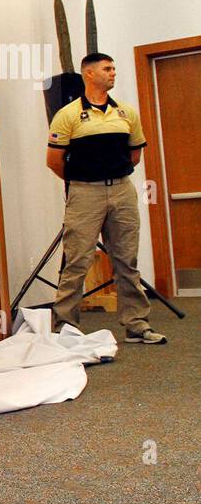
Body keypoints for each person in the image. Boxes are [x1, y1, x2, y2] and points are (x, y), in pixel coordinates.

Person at [46, 53, 164, 344]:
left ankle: (137, 324)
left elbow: (135, 153)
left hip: (122, 190)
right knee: (77, 260)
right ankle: (64, 327)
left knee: (126, 259)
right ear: (88, 74)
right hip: (85, 193)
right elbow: (54, 160)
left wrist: (113, 177)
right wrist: (83, 182)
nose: (113, 73)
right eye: (107, 69)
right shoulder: (68, 115)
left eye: (114, 68)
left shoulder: (126, 113)